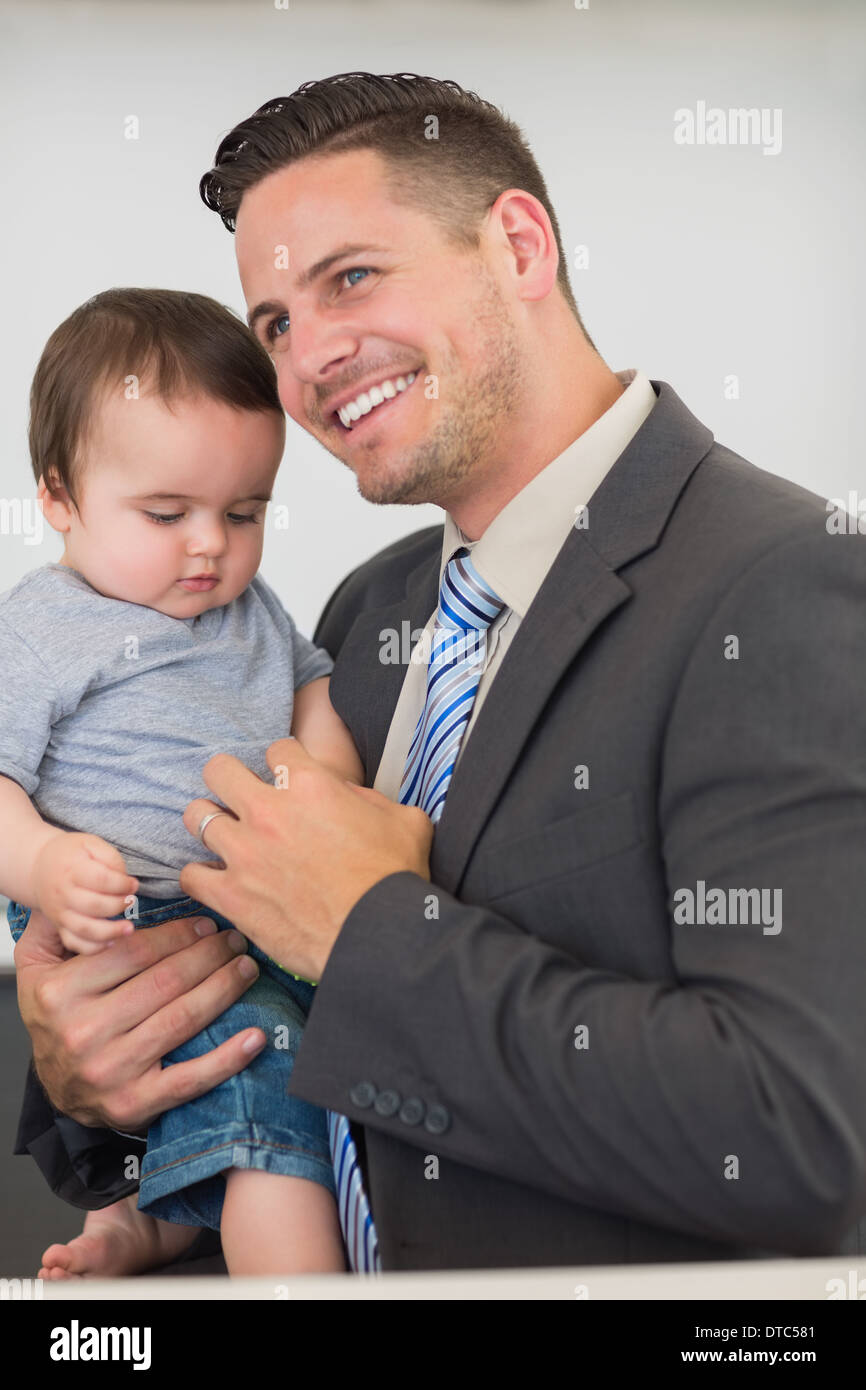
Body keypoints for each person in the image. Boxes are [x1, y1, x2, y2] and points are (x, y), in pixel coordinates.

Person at [14, 72, 866, 1274]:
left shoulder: (787, 584)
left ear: (517, 243)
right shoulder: (366, 612)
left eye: (349, 278)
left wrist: (370, 930)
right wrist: (83, 1070)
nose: (307, 359)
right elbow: (258, 1029)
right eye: (272, 323)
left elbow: (804, 1140)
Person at [3, 287, 366, 1276]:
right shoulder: (43, 628)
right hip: (133, 925)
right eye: (167, 512)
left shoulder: (250, 609)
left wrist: (325, 789)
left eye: (243, 512)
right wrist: (40, 861)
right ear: (59, 499)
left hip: (269, 905)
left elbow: (313, 693)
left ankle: (146, 1224)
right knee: (266, 1101)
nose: (210, 543)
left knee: (269, 1095)